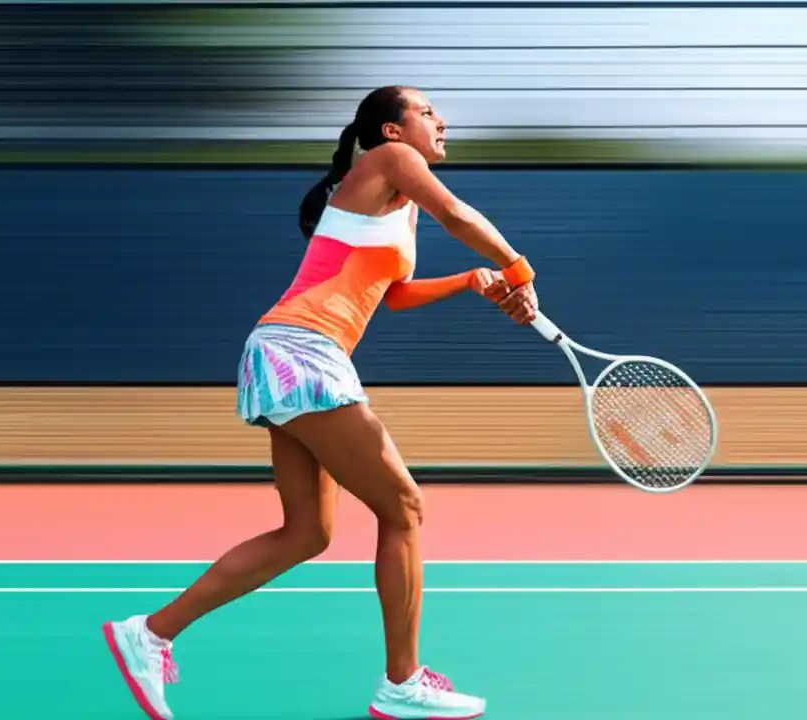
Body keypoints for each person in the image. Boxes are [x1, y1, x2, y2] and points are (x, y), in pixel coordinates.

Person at [101, 85, 539, 720]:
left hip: (284, 352)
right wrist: (520, 269)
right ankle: (401, 683)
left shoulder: (398, 205)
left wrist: (475, 280)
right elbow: (459, 215)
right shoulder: (391, 165)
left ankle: (151, 632)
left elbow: (394, 293)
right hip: (302, 350)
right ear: (391, 133)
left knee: (308, 532)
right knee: (405, 507)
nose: (440, 120)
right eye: (425, 111)